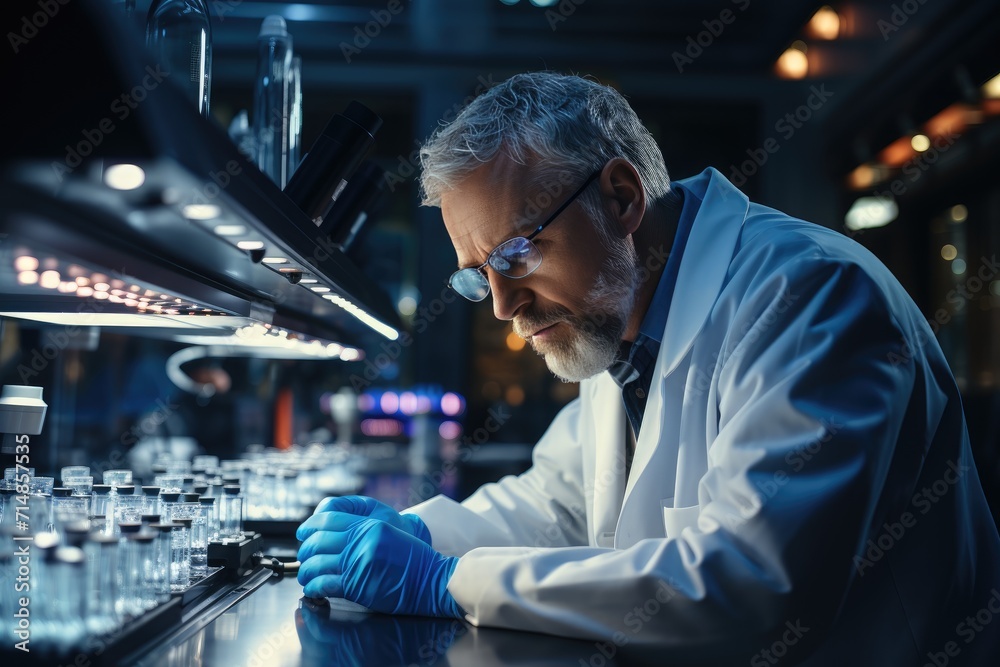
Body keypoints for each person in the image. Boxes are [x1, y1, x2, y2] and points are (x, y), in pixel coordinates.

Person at [295, 72, 1000, 665]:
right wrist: (421, 532)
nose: (503, 306)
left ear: (622, 197)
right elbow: (557, 505)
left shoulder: (811, 297)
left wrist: (447, 582)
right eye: (480, 275)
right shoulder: (623, 329)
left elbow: (753, 581)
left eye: (515, 254)